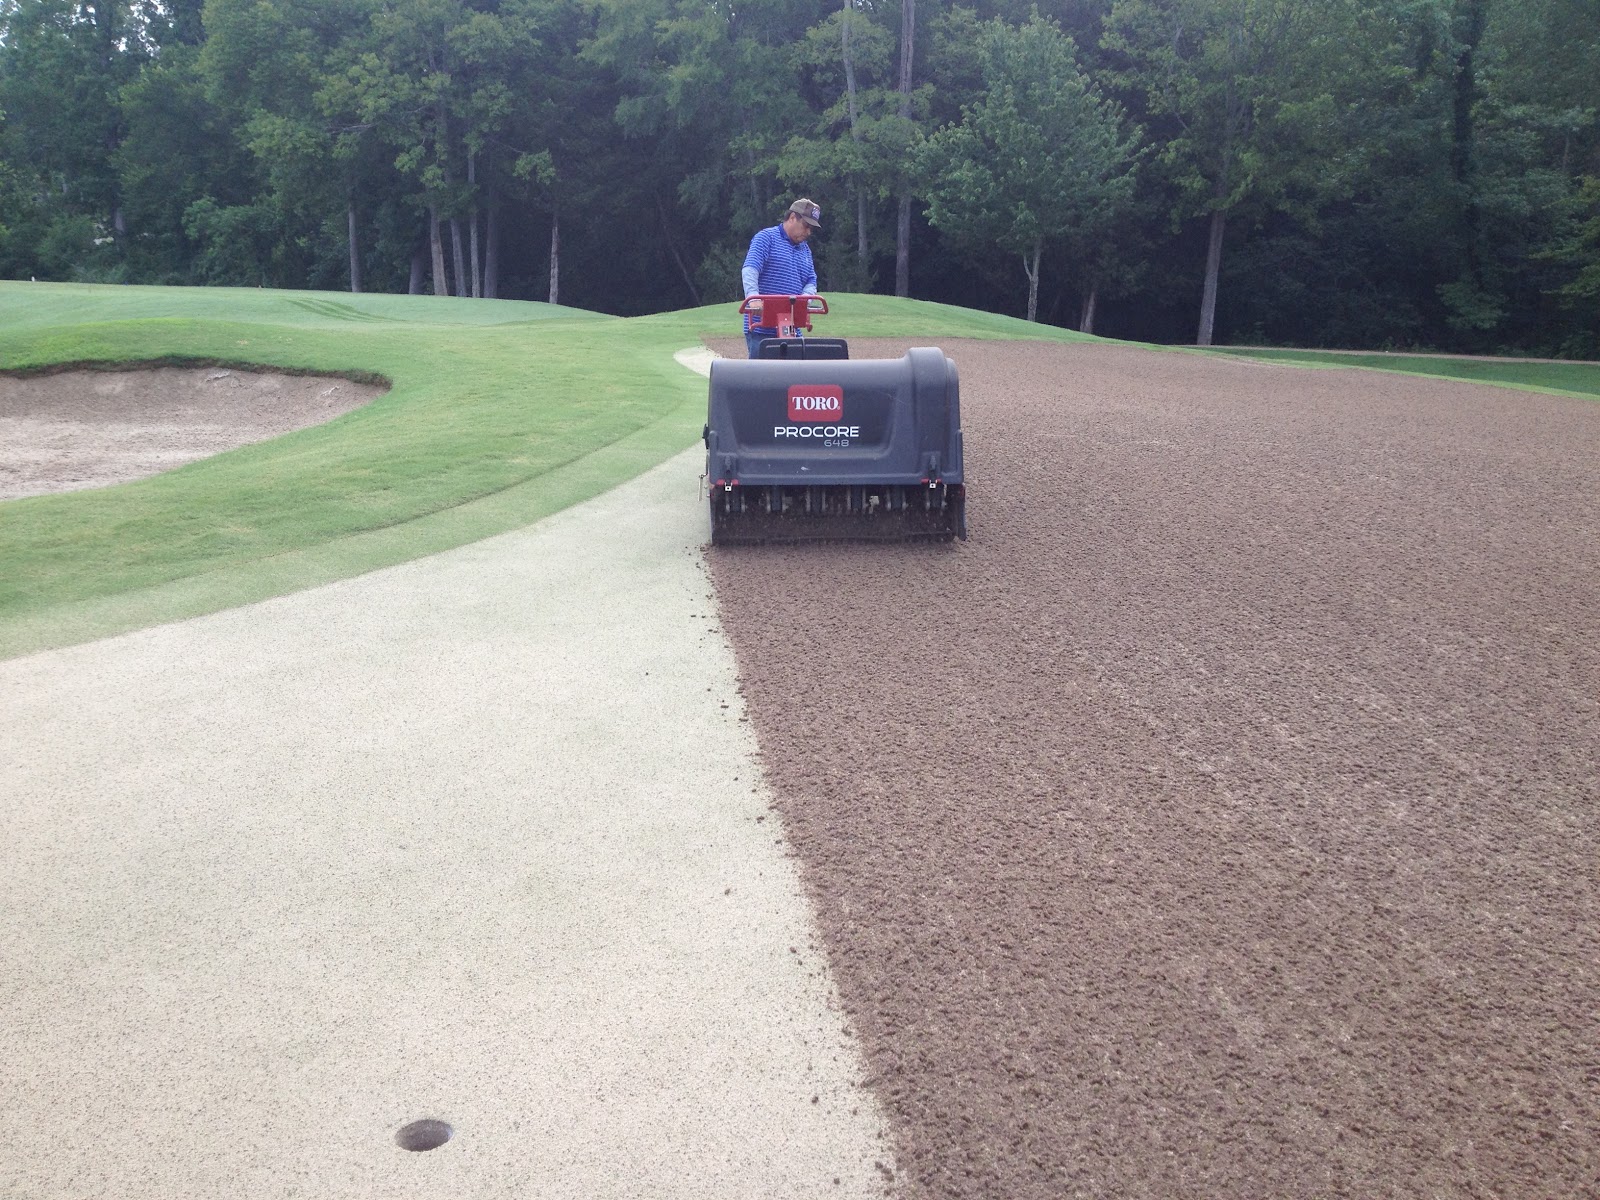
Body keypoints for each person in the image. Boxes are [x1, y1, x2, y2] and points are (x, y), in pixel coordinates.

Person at [741, 198, 821, 358]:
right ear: (792, 218)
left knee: (797, 375)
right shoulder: (766, 238)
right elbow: (750, 269)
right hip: (761, 328)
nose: (808, 232)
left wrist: (805, 300)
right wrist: (752, 298)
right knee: (762, 378)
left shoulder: (805, 250)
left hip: (792, 327)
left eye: (811, 229)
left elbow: (811, 280)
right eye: (806, 226)